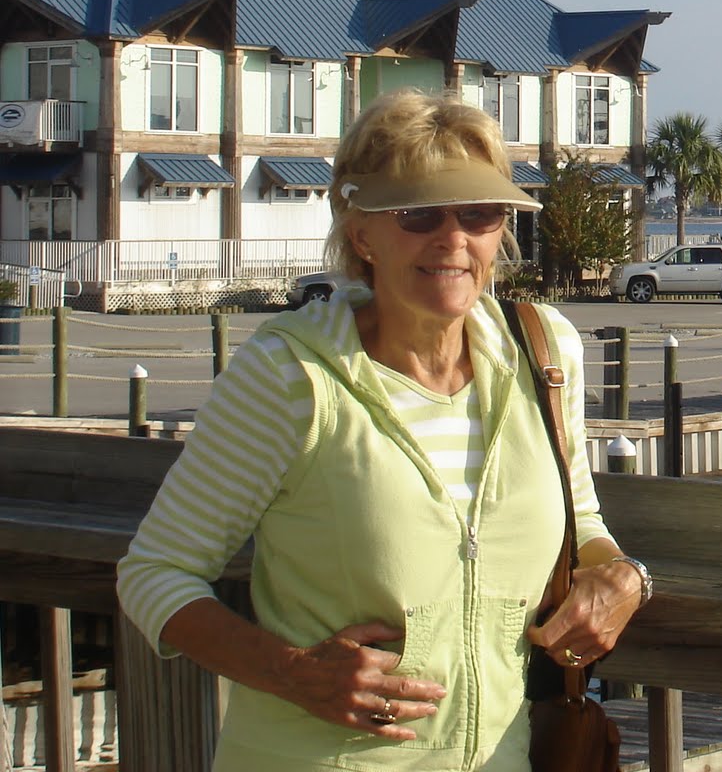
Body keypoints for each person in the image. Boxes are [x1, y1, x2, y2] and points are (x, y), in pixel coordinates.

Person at [118, 89, 650, 771]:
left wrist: (627, 579)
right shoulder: (291, 374)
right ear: (360, 231)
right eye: (418, 213)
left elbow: (583, 526)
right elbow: (155, 573)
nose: (452, 238)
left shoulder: (545, 355)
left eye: (479, 213)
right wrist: (290, 671)